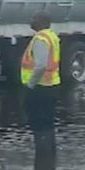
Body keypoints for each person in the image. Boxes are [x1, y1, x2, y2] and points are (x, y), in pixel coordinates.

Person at [21, 12, 61, 154]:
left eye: (34, 19)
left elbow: (41, 65)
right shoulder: (52, 36)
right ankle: (50, 155)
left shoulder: (41, 39)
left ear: (42, 22)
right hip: (51, 85)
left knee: (39, 123)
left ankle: (43, 155)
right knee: (48, 123)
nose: (31, 21)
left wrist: (30, 85)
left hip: (40, 88)